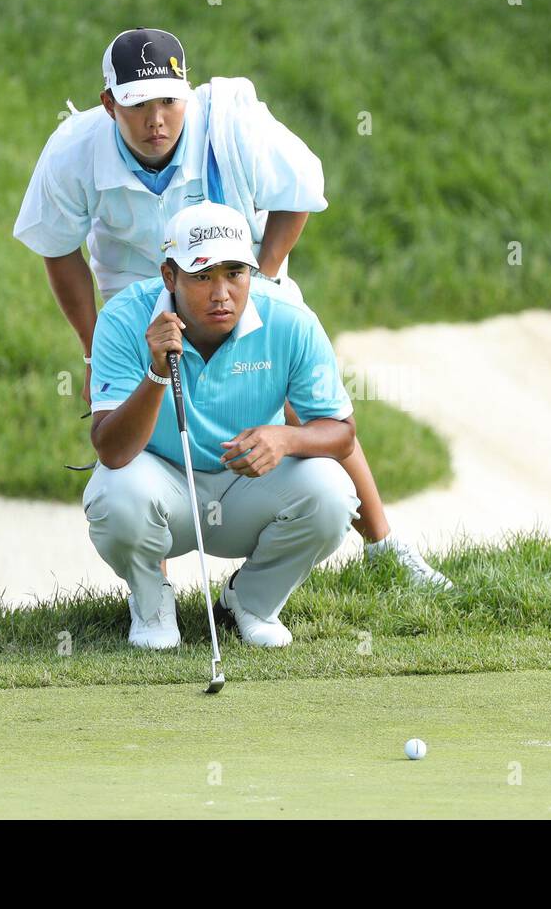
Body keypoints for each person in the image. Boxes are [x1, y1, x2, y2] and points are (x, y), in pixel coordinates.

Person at [13, 27, 452, 589]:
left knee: (303, 406)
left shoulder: (232, 127)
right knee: (145, 418)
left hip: (237, 273)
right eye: (138, 105)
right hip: (134, 288)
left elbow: (299, 194)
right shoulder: (74, 150)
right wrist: (96, 349)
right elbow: (57, 247)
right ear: (108, 104)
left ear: (187, 94)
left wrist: (261, 283)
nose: (157, 121)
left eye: (169, 101)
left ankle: (385, 547)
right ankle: (157, 593)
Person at [85, 203, 359, 648]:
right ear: (169, 277)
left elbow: (342, 433)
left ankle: (250, 602)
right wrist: (157, 373)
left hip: (247, 490)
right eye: (202, 275)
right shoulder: (123, 319)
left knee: (332, 493)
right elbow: (111, 451)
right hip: (164, 488)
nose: (221, 293)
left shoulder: (289, 320)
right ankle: (152, 605)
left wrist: (286, 438)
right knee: (114, 494)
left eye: (235, 273)